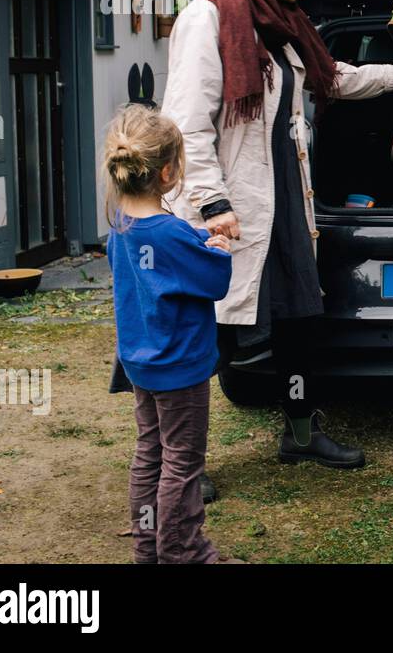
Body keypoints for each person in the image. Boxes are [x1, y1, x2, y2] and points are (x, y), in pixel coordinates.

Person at [161, 0, 393, 471]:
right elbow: (185, 124)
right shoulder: (209, 17)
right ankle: (185, 464)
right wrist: (212, 203)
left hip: (282, 203)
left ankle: (300, 432)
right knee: (213, 332)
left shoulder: (281, 23)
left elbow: (334, 79)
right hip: (227, 206)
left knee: (299, 321)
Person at [103, 103, 239, 563]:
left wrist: (197, 238)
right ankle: (183, 551)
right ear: (168, 173)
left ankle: (148, 547)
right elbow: (213, 280)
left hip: (141, 363)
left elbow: (163, 257)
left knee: (150, 452)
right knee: (181, 461)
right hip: (179, 367)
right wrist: (218, 248)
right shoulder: (169, 234)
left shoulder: (120, 227)